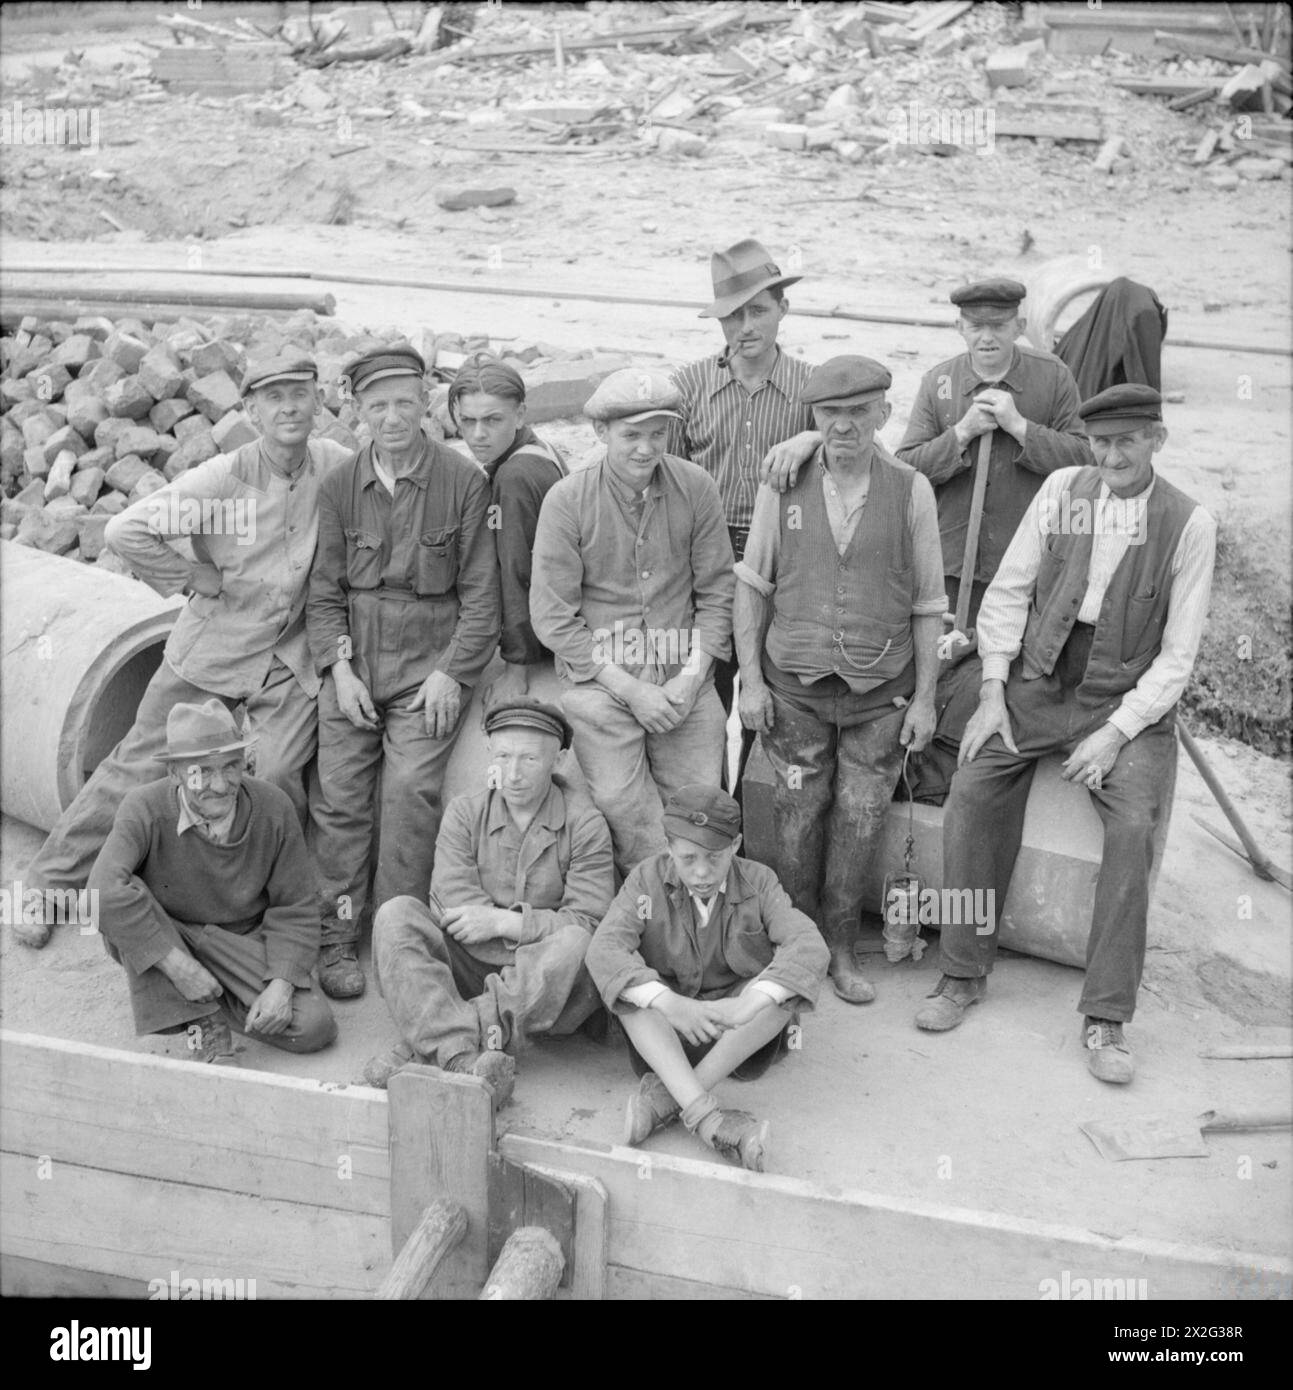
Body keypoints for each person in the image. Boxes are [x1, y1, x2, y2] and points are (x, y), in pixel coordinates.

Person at [915, 386, 1216, 1086]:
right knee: (972, 791)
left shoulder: (1186, 523)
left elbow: (1177, 658)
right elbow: (1010, 591)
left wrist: (1112, 736)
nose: (1111, 456)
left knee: (1133, 826)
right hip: (1040, 676)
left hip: (1124, 694)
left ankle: (1106, 1016)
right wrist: (993, 690)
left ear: (1156, 440)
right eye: (1101, 442)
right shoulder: (1060, 487)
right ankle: (961, 971)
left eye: (1127, 442)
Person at [17, 353, 352, 947]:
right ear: (251, 410)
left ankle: (264, 910)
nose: (290, 408)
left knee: (274, 773)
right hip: (210, 653)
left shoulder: (333, 465)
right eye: (273, 398)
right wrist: (189, 576)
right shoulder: (223, 478)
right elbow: (127, 532)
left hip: (286, 662)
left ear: (318, 401)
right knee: (137, 768)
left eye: (300, 394)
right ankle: (47, 884)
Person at [733, 356, 945, 1004]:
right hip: (793, 689)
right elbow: (751, 586)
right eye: (830, 414)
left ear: (883, 413)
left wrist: (926, 699)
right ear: (814, 417)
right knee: (797, 813)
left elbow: (928, 604)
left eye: (859, 412)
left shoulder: (910, 489)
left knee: (860, 817)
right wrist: (750, 682)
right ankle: (799, 947)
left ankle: (843, 946)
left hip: (878, 697)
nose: (844, 425)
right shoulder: (782, 482)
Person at [306, 345, 499, 999]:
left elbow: (481, 599)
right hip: (356, 662)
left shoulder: (462, 482)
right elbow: (324, 592)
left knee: (411, 794)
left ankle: (397, 940)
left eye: (404, 404)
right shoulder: (338, 487)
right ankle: (336, 936)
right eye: (377, 406)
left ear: (425, 406)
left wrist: (452, 674)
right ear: (358, 412)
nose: (392, 418)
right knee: (338, 798)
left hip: (427, 666)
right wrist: (338, 670)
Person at [530, 368, 734, 878]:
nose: (646, 449)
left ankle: (701, 919)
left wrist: (691, 678)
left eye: (657, 434)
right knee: (621, 806)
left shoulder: (696, 487)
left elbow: (717, 591)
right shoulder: (568, 500)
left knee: (700, 806)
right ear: (601, 433)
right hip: (602, 685)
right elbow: (553, 616)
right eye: (631, 435)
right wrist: (629, 689)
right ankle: (650, 914)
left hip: (683, 681)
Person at [363, 699, 614, 1100]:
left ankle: (434, 1042)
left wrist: (503, 923)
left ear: (560, 759)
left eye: (530, 758)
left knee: (577, 945)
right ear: (489, 754)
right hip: (473, 959)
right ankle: (463, 1059)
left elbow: (588, 921)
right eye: (503, 756)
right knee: (396, 915)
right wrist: (527, 929)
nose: (513, 774)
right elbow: (451, 901)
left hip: (540, 976)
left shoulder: (585, 823)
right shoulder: (465, 811)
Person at [585, 785, 828, 1172]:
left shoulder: (759, 882)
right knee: (631, 989)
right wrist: (669, 1002)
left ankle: (668, 1097)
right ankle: (710, 1121)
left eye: (714, 857)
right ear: (668, 847)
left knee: (783, 991)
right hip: (668, 1032)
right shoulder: (645, 882)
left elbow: (809, 947)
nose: (701, 871)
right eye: (688, 858)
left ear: (736, 845)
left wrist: (749, 1002)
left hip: (739, 1034)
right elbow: (604, 950)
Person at [88, 699, 336, 1063]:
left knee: (315, 1026)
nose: (219, 785)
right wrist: (178, 967)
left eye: (231, 766)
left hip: (240, 941)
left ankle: (194, 1000)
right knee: (120, 901)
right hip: (172, 935)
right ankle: (202, 1020)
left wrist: (281, 986)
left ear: (245, 763)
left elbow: (295, 905)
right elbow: (99, 893)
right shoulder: (143, 807)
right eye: (200, 772)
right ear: (173, 772)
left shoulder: (273, 807)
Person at [669, 239, 817, 788]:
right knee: (704, 695)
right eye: (732, 315)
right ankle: (704, 823)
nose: (745, 326)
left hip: (784, 562)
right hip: (705, 563)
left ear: (784, 308)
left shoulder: (813, 388)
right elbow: (667, 482)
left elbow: (860, 452)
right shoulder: (689, 387)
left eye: (758, 310)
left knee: (769, 700)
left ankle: (754, 828)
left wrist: (814, 436)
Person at [447, 352, 567, 707]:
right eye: (467, 421)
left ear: (520, 414)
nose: (478, 435)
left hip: (545, 636)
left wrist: (516, 667)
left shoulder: (515, 476)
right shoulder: (540, 448)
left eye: (492, 420)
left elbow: (517, 572)